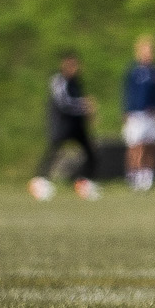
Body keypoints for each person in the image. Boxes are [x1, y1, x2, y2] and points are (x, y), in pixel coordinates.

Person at [30, 52, 100, 201]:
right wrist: (84, 105)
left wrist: (87, 114)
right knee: (54, 151)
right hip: (62, 124)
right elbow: (64, 102)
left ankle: (83, 182)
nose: (75, 68)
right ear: (64, 65)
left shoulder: (76, 82)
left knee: (90, 152)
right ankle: (39, 181)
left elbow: (78, 102)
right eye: (71, 65)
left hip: (76, 125)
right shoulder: (58, 80)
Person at [121, 34, 155, 192]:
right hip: (136, 113)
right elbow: (127, 92)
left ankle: (147, 175)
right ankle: (133, 174)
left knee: (150, 145)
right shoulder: (133, 71)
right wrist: (126, 110)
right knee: (136, 145)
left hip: (152, 115)